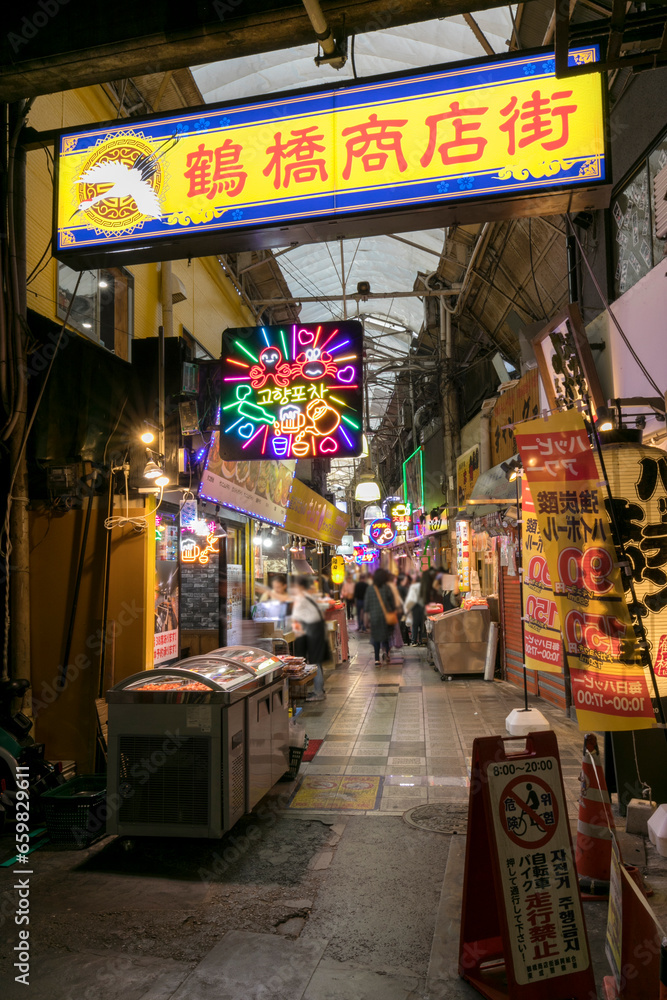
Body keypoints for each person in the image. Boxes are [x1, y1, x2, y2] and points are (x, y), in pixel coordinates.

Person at [291, 576, 328, 702]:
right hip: (316, 632)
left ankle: (318, 692)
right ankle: (320, 689)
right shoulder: (308, 596)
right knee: (316, 662)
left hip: (313, 633)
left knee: (315, 662)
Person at [364, 567, 397, 666]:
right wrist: (393, 610)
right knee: (386, 636)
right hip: (386, 616)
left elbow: (366, 606)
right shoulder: (387, 588)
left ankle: (377, 659)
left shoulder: (370, 589)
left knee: (376, 637)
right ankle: (386, 653)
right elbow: (392, 602)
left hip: (374, 617)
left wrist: (365, 621)